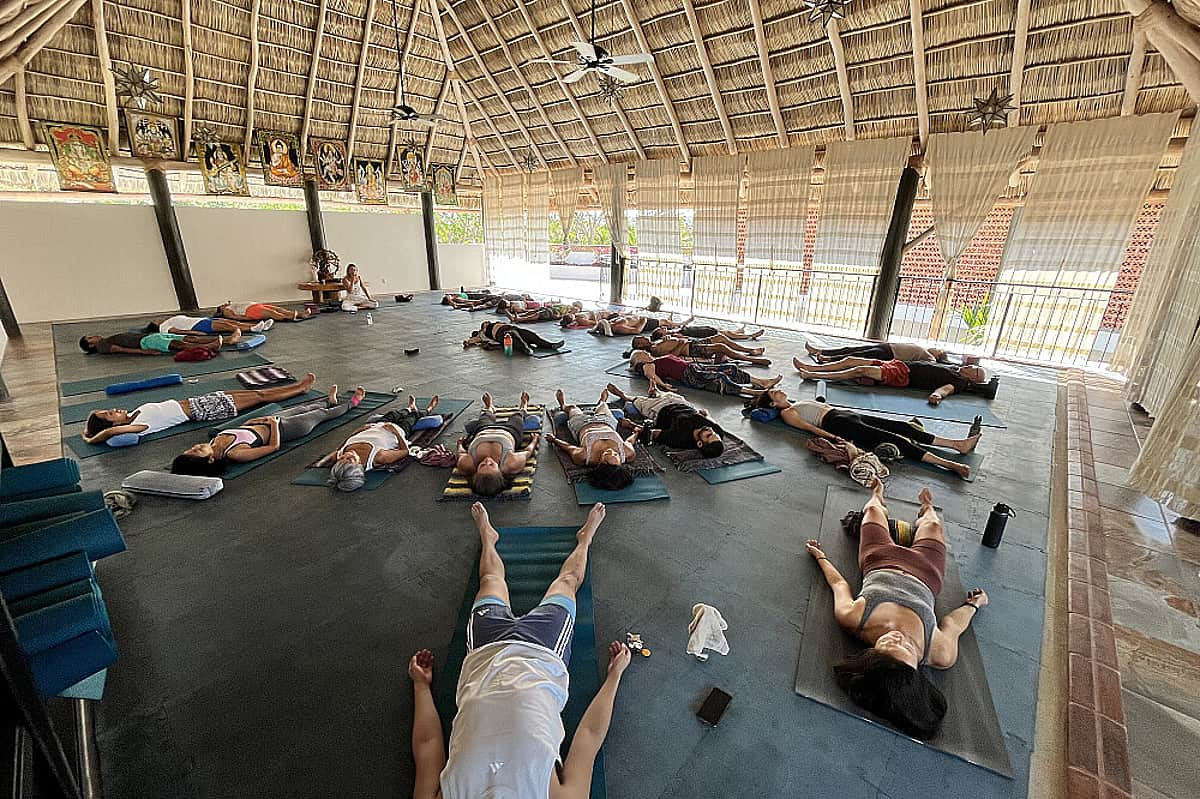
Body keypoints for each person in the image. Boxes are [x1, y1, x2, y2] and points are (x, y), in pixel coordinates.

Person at [408, 502, 629, 799]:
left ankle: (488, 537)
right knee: (567, 582)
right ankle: (585, 537)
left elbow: (427, 745)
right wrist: (614, 677)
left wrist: (421, 686)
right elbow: (588, 739)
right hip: (543, 652)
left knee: (489, 580)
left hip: (485, 652)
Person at [805, 479, 989, 739]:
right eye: (905, 648)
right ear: (916, 668)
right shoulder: (939, 653)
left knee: (870, 512)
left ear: (872, 653)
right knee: (934, 524)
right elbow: (952, 625)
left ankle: (877, 495)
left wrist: (820, 557)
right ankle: (927, 507)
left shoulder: (854, 619)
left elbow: (839, 584)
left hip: (879, 558)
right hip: (927, 571)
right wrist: (973, 605)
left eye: (886, 644)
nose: (897, 637)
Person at [749, 389, 982, 479]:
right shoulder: (788, 413)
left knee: (903, 427)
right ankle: (949, 465)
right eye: (774, 394)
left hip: (846, 415)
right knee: (898, 441)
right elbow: (808, 428)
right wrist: (833, 438)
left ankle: (956, 444)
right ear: (772, 405)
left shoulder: (796, 401)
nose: (779, 391)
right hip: (839, 425)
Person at [170, 384, 365, 475]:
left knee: (307, 407)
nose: (196, 446)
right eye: (197, 451)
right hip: (289, 429)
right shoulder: (236, 454)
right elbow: (273, 447)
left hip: (270, 421)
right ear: (210, 459)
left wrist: (258, 420)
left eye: (191, 448)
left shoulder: (214, 442)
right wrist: (272, 423)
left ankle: (328, 400)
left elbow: (245, 428)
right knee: (323, 414)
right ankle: (353, 403)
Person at [82, 372, 318, 446]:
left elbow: (110, 429)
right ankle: (299, 389)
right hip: (204, 410)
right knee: (259, 396)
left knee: (258, 394)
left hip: (200, 401)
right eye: (110, 415)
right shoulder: (139, 427)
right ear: (114, 425)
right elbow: (111, 434)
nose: (114, 409)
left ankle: (297, 387)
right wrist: (93, 439)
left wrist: (89, 430)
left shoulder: (136, 413)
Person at [318, 395, 440, 491]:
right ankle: (428, 409)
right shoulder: (378, 458)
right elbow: (405, 451)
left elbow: (345, 442)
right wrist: (396, 432)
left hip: (377, 424)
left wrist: (360, 429)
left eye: (342, 459)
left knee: (394, 413)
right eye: (350, 459)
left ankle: (409, 407)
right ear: (359, 465)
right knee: (415, 417)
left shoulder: (340, 454)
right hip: (398, 429)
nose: (346, 455)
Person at [793, 356, 994, 404]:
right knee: (851, 360)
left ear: (973, 378)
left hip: (902, 376)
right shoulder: (956, 368)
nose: (969, 365)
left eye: (973, 368)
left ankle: (813, 375)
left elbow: (945, 390)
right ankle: (810, 367)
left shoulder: (958, 383)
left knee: (858, 370)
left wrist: (936, 395)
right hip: (898, 364)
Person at [547, 388, 639, 491]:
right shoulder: (628, 453)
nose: (612, 451)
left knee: (572, 408)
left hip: (582, 424)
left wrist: (554, 440)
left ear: (601, 464)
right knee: (603, 406)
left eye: (608, 455)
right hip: (607, 422)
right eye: (615, 454)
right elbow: (629, 442)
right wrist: (635, 432)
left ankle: (563, 405)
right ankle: (602, 401)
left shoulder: (584, 457)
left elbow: (569, 448)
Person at [455, 392, 541, 496]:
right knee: (518, 417)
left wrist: (460, 444)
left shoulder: (467, 465)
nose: (487, 460)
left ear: (476, 472)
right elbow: (527, 452)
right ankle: (524, 407)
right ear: (500, 472)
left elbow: (460, 453)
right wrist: (535, 440)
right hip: (510, 431)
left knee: (485, 416)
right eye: (491, 465)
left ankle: (489, 406)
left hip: (483, 429)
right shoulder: (511, 464)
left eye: (482, 465)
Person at [610, 386, 725, 457]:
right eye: (715, 434)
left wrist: (630, 424)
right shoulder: (717, 432)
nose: (711, 430)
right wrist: (707, 415)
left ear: (700, 443)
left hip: (659, 409)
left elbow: (649, 433)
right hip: (683, 404)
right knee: (667, 393)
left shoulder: (678, 438)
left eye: (709, 435)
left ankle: (623, 395)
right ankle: (655, 392)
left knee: (637, 401)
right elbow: (711, 420)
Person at [627, 350, 781, 398]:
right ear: (639, 359)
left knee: (729, 368)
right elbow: (651, 375)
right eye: (642, 353)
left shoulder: (656, 359)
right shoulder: (646, 365)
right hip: (689, 375)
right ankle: (752, 392)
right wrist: (663, 385)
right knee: (720, 378)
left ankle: (760, 382)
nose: (646, 353)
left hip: (693, 368)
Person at [630, 334, 771, 367]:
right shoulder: (654, 350)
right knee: (721, 347)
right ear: (640, 346)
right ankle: (752, 359)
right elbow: (671, 356)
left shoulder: (656, 341)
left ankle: (749, 350)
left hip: (692, 343)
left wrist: (673, 337)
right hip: (690, 349)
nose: (643, 337)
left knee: (720, 337)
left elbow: (676, 339)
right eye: (640, 339)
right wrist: (680, 343)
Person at [79, 331, 223, 356]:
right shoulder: (102, 346)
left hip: (149, 336)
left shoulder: (104, 341)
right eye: (90, 338)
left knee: (187, 338)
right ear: (91, 345)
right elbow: (121, 349)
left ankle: (219, 341)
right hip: (145, 342)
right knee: (177, 344)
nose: (94, 336)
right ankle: (210, 346)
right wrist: (144, 351)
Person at [804, 340, 949, 364]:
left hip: (889, 355)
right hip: (887, 347)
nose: (935, 347)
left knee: (856, 356)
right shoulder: (924, 349)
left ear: (938, 355)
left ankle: (828, 359)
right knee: (851, 349)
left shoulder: (931, 358)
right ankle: (821, 351)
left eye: (938, 349)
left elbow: (929, 365)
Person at [463, 321, 564, 355]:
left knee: (531, 336)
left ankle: (551, 345)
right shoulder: (483, 333)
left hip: (513, 328)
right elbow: (475, 340)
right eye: (485, 323)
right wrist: (468, 342)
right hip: (502, 334)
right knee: (513, 336)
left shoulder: (496, 323)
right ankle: (526, 349)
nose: (487, 322)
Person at [152, 314, 271, 335]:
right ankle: (252, 329)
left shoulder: (169, 320)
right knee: (227, 326)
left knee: (229, 322)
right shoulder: (163, 327)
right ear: (155, 324)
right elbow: (176, 331)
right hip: (197, 326)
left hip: (201, 320)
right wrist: (195, 333)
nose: (158, 319)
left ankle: (259, 326)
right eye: (156, 320)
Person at [216, 301, 314, 322]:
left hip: (255, 305)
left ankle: (301, 314)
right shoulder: (226, 310)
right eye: (222, 305)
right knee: (274, 313)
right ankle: (290, 317)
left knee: (279, 309)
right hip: (250, 311)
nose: (224, 304)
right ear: (221, 308)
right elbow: (234, 317)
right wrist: (247, 318)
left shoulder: (231, 305)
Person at [506, 300, 583, 324]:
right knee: (534, 311)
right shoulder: (568, 305)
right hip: (552, 309)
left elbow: (568, 315)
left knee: (538, 314)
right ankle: (517, 316)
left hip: (554, 312)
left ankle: (520, 319)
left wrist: (559, 316)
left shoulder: (576, 309)